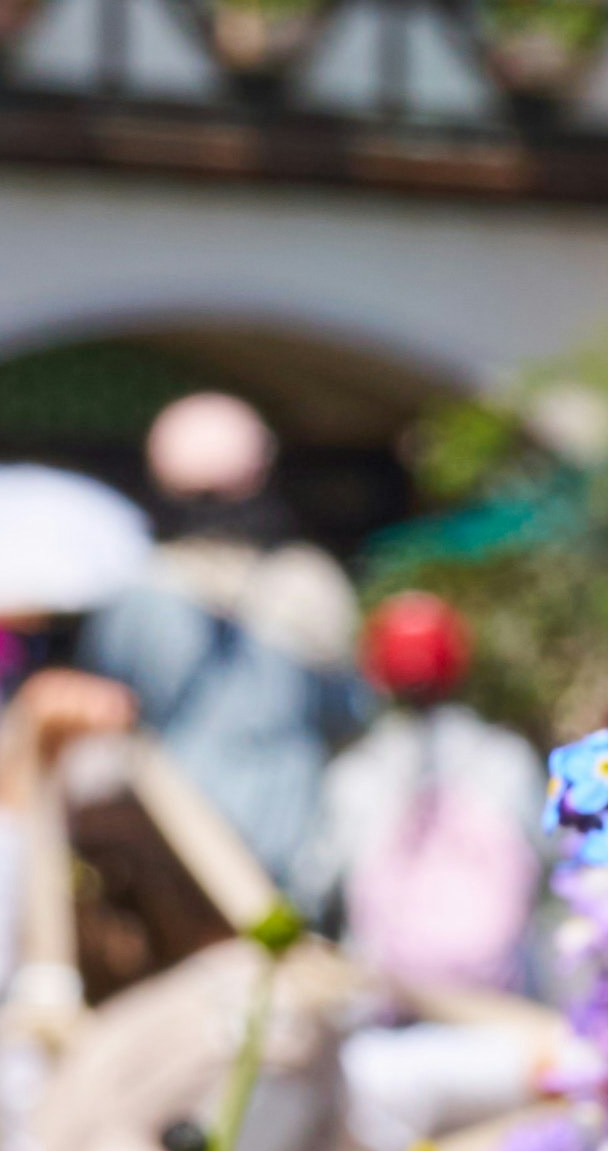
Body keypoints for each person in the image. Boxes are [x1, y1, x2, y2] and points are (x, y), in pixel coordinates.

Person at [87, 384, 361, 916]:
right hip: (290, 853)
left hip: (171, 854)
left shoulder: (138, 589)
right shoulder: (309, 584)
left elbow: (111, 707)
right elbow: (349, 715)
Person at [330, 592, 545, 1009]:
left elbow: (324, 877)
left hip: (388, 1007)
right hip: (505, 1005)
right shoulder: (505, 758)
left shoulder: (357, 772)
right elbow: (544, 854)